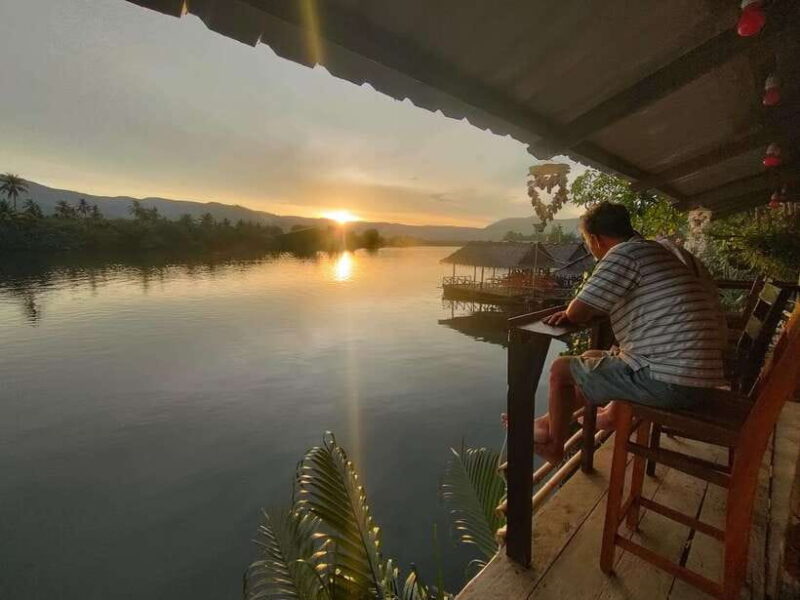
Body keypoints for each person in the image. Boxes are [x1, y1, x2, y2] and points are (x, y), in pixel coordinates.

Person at [532, 202, 728, 464]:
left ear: (596, 239)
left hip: (673, 382)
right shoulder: (656, 250)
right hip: (699, 377)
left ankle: (555, 447)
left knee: (560, 370)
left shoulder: (623, 254)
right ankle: (550, 423)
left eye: (588, 243)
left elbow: (577, 312)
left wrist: (568, 314)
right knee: (591, 355)